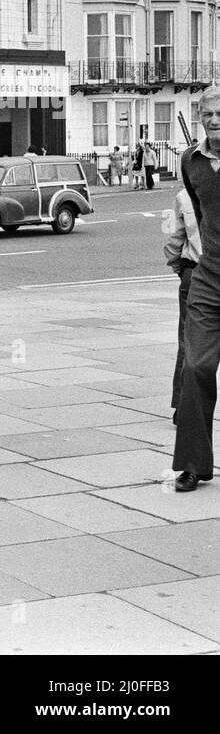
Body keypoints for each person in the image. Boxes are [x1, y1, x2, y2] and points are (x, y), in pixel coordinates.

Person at [173, 90, 220, 492]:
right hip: (209, 280)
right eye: (207, 113)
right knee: (196, 367)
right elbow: (202, 214)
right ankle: (193, 463)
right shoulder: (190, 161)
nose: (214, 118)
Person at [166, 184, 202, 427]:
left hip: (195, 273)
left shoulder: (184, 195)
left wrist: (180, 267)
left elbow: (173, 239)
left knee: (188, 342)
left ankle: (183, 407)